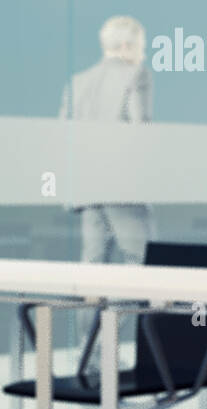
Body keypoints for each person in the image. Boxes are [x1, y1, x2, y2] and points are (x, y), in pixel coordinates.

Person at [59, 15, 155, 265]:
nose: (142, 54)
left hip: (87, 189)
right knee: (140, 261)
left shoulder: (77, 82)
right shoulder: (136, 75)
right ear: (126, 46)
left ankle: (89, 307)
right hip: (122, 188)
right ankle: (127, 306)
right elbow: (139, 133)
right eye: (141, 47)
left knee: (93, 264)